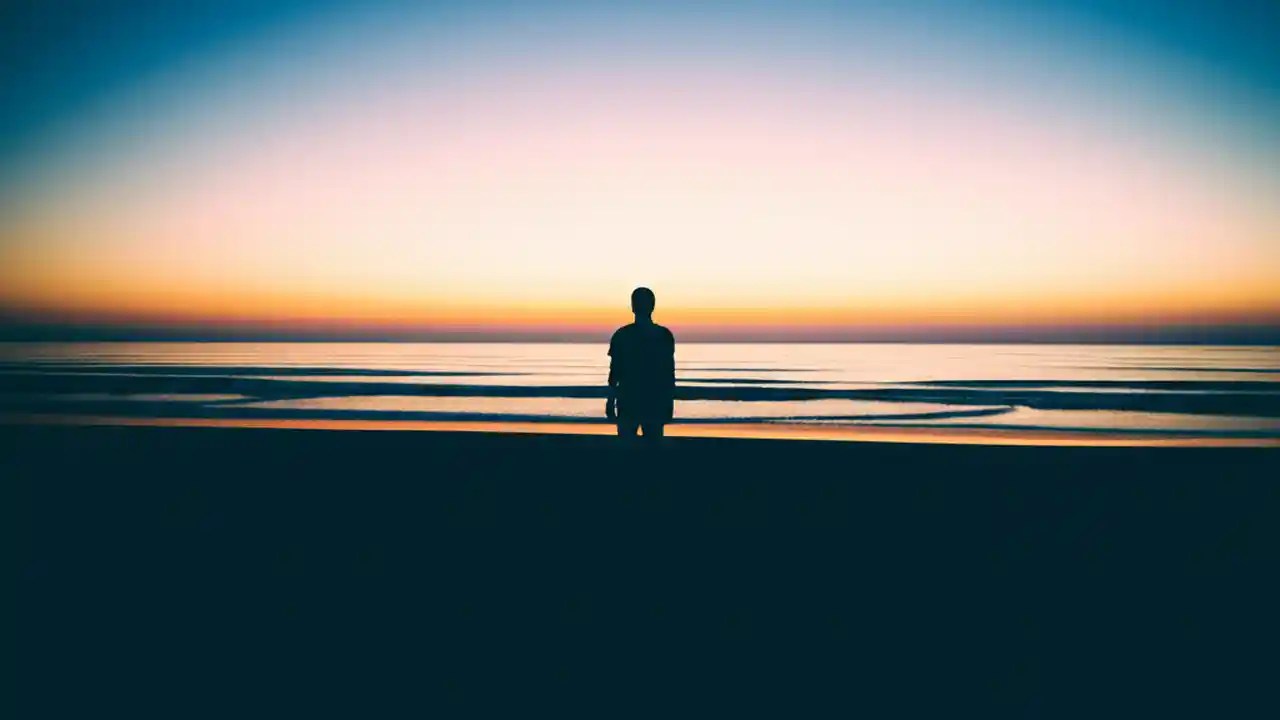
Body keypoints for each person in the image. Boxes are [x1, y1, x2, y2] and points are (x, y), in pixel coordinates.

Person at [606, 287, 675, 439]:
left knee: (627, 446)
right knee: (653, 447)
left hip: (629, 400)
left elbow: (614, 373)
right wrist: (669, 404)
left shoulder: (622, 335)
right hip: (654, 401)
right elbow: (669, 374)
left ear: (632, 307)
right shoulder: (664, 336)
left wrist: (610, 400)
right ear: (653, 306)